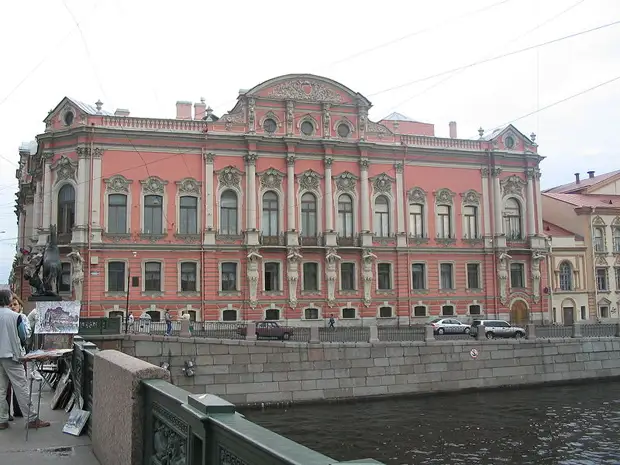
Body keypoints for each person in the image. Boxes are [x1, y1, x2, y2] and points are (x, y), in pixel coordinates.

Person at [0, 289, 49, 429]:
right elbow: (24, 336)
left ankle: (2, 419)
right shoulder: (16, 316)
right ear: (8, 300)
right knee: (21, 387)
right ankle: (32, 418)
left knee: (1, 389)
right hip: (12, 355)